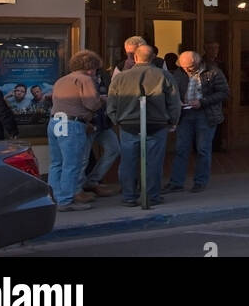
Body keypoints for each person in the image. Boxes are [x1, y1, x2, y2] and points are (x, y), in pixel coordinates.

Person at [107, 42, 181, 208]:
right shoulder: (164, 75)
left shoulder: (120, 77)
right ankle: (152, 195)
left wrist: (116, 120)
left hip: (128, 124)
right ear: (153, 58)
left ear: (135, 57)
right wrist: (173, 121)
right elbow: (174, 102)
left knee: (128, 161)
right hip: (157, 123)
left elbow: (111, 104)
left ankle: (129, 196)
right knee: (153, 161)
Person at [47, 50, 105, 211]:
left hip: (55, 121)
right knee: (72, 164)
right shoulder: (85, 79)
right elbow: (91, 104)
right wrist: (102, 100)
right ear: (90, 67)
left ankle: (54, 197)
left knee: (56, 163)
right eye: (95, 69)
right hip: (72, 124)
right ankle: (66, 200)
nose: (95, 72)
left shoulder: (61, 80)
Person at [165, 50, 230, 193]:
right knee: (181, 149)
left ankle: (200, 181)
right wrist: (177, 102)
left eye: (189, 67)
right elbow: (172, 91)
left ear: (198, 62)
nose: (186, 69)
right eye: (183, 67)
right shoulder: (179, 73)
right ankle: (176, 182)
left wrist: (203, 102)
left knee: (203, 149)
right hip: (185, 114)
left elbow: (224, 92)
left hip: (205, 114)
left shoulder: (213, 72)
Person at [82, 63, 119, 196]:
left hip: (103, 122)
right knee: (84, 158)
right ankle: (79, 188)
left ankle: (92, 180)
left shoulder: (103, 76)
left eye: (94, 67)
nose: (92, 70)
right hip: (89, 123)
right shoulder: (80, 79)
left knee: (114, 148)